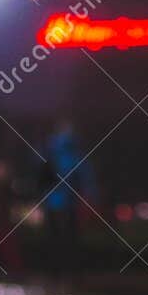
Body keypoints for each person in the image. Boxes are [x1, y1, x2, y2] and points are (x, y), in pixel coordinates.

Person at [42, 120, 92, 284]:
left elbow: (40, 174)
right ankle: (71, 272)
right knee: (70, 239)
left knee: (54, 238)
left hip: (51, 201)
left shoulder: (49, 150)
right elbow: (85, 176)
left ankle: (54, 272)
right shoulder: (75, 154)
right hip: (69, 202)